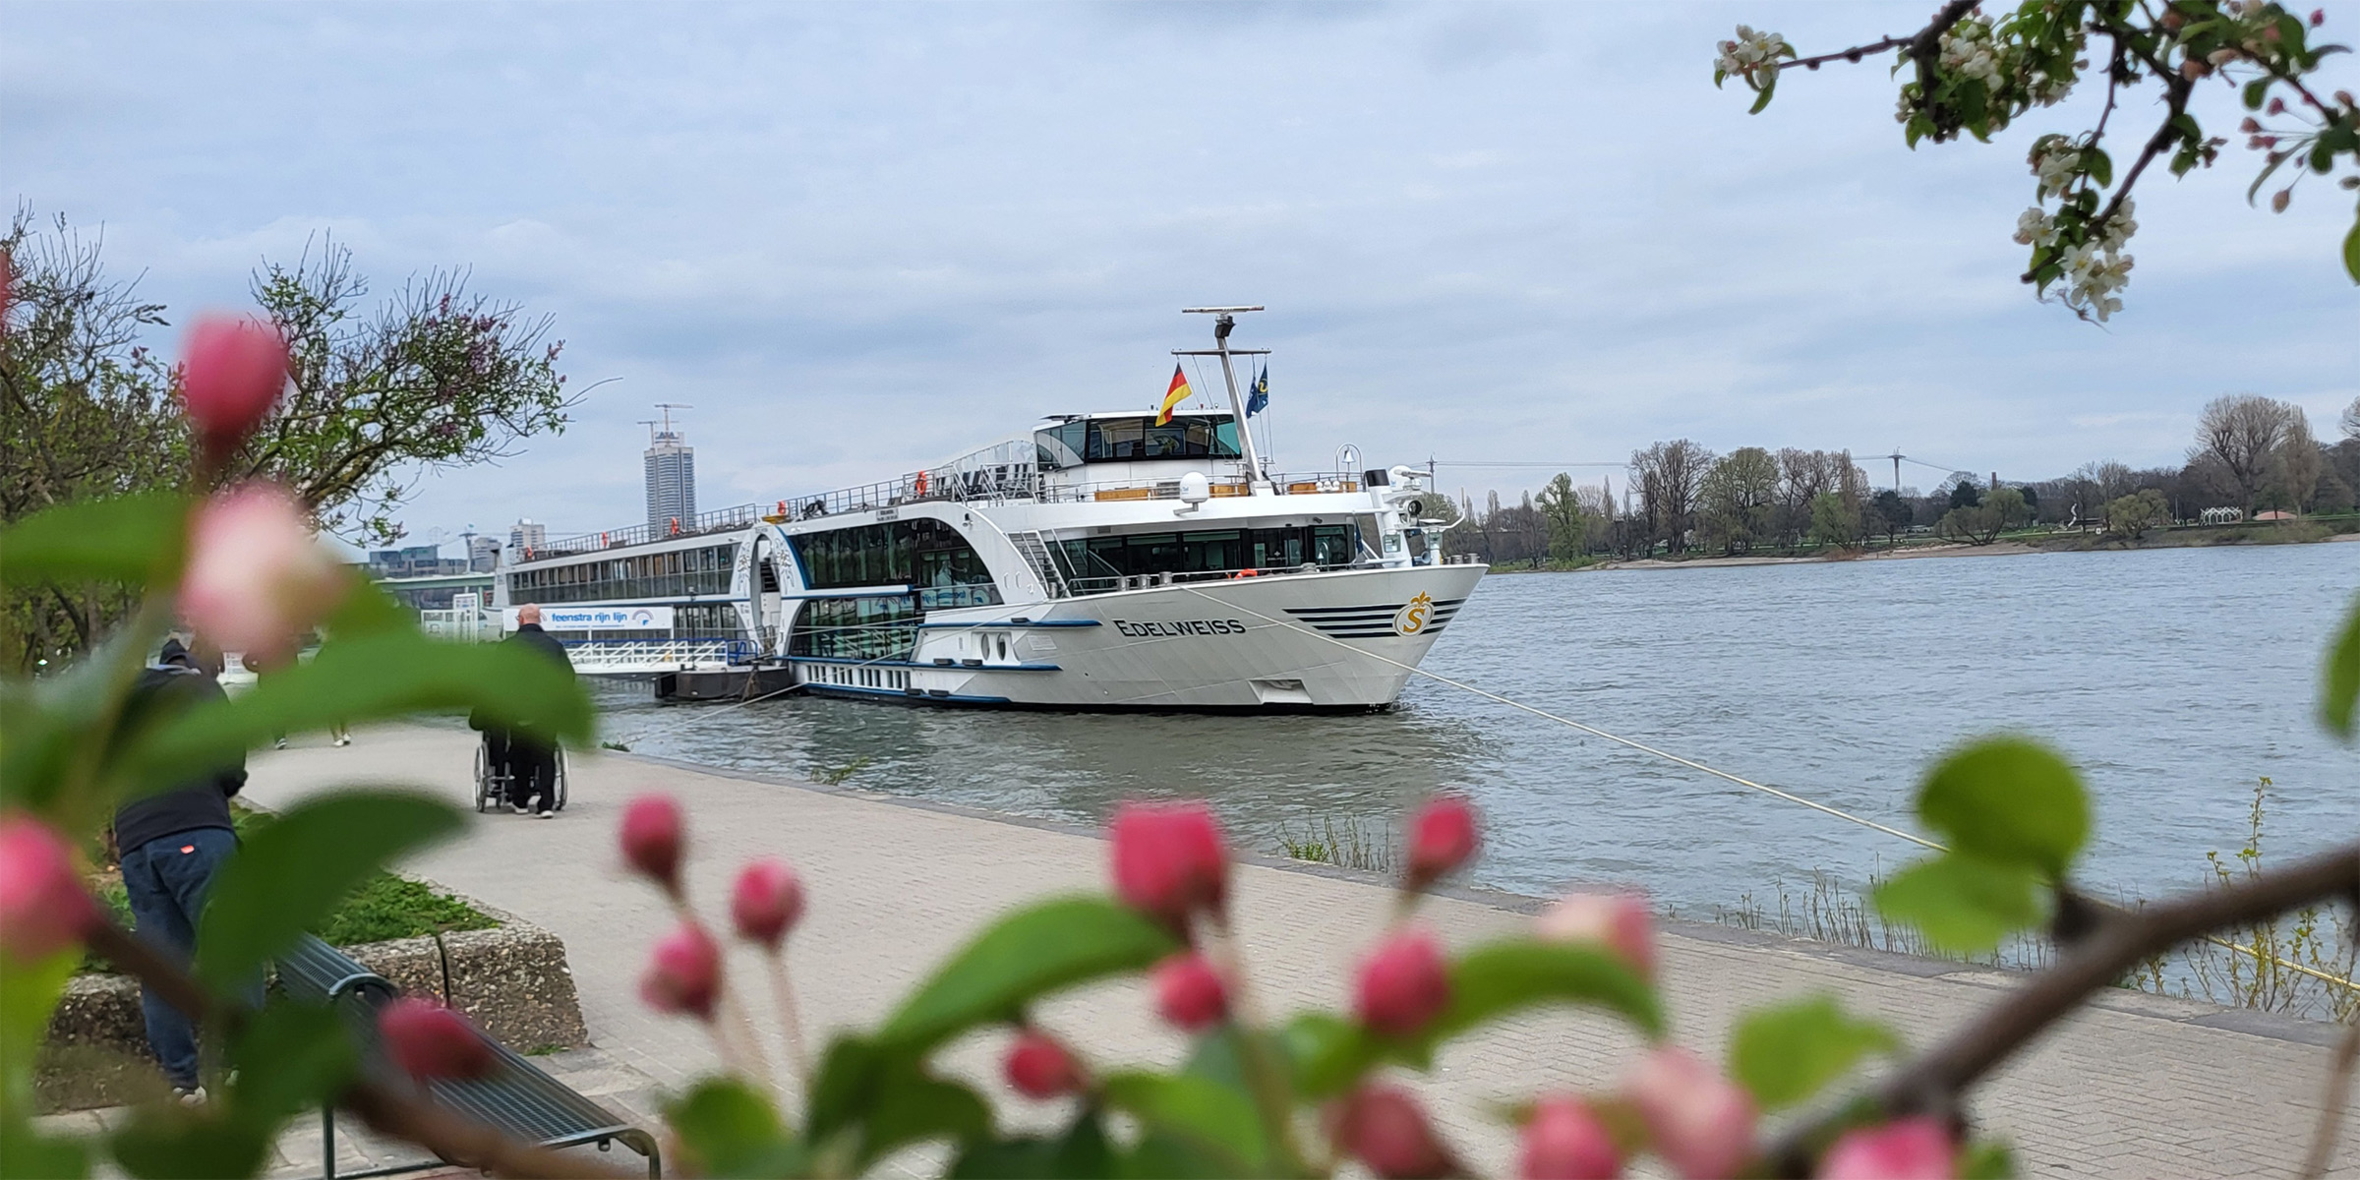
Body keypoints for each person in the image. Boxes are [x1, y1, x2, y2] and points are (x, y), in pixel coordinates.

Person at [112, 637, 248, 1105]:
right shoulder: (201, 688)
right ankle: (240, 1068)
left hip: (134, 839)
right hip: (194, 828)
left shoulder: (129, 695)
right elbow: (231, 765)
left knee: (163, 963)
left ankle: (181, 1081)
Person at [471, 603, 573, 817]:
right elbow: (568, 678)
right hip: (547, 710)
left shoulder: (508, 647)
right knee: (546, 754)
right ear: (540, 619)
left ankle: (521, 800)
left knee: (519, 751)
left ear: (520, 620)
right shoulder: (554, 646)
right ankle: (546, 804)